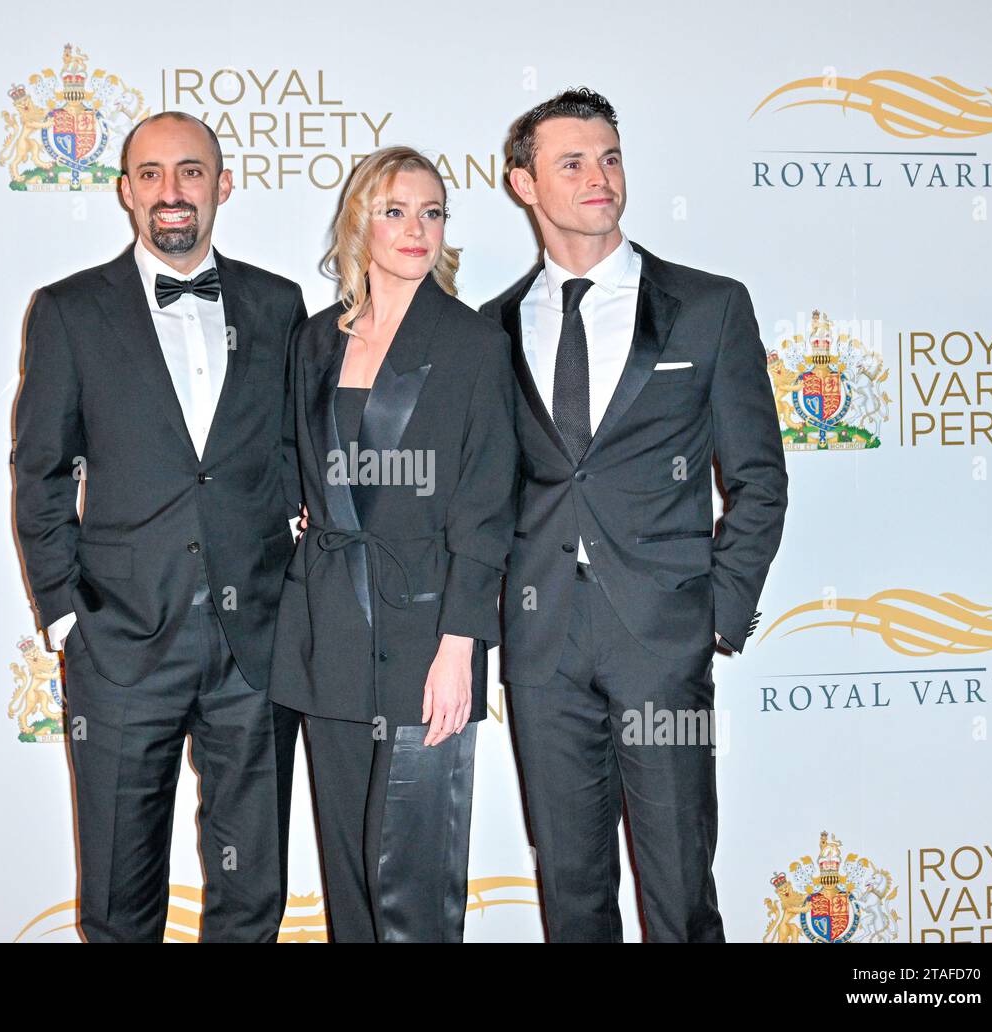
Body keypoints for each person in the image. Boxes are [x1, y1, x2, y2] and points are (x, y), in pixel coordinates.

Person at [480, 88, 788, 942]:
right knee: (571, 899)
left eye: (610, 157)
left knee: (681, 891)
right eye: (571, 162)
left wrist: (715, 615)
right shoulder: (490, 330)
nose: (598, 178)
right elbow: (487, 498)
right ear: (522, 184)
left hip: (662, 638)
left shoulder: (708, 306)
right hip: (542, 650)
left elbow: (759, 478)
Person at [12, 111, 306, 942]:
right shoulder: (69, 311)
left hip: (255, 647)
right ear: (125, 191)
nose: (171, 192)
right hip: (123, 642)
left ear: (223, 184)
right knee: (118, 893)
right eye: (151, 174)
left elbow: (292, 455)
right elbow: (40, 472)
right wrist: (67, 614)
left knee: (253, 893)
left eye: (190, 172)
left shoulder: (279, 305)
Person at [270, 146, 517, 942]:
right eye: (395, 210)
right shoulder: (314, 341)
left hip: (427, 638)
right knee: (347, 878)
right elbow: (288, 463)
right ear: (360, 222)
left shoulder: (476, 343)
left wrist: (461, 649)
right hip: (328, 632)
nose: (415, 229)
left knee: (414, 882)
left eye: (432, 212)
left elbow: (487, 506)